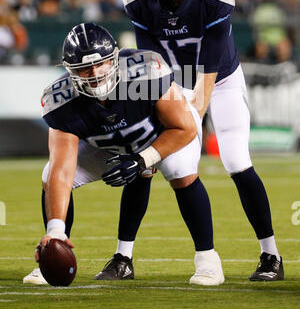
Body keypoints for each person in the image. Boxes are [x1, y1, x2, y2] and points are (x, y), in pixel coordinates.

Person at [97, 0, 284, 282]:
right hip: (173, 83)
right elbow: (150, 65)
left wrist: (186, 125)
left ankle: (271, 255)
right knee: (147, 160)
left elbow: (209, 70)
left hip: (222, 80)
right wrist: (155, 127)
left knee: (236, 160)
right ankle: (123, 258)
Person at [23, 22, 224, 286]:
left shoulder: (147, 71)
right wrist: (55, 229)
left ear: (114, 60)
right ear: (69, 71)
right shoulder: (61, 101)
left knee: (180, 172)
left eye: (101, 64)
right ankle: (56, 247)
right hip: (110, 145)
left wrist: (144, 159)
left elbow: (183, 128)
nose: (94, 74)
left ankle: (208, 259)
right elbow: (62, 169)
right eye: (85, 68)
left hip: (164, 134)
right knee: (50, 174)